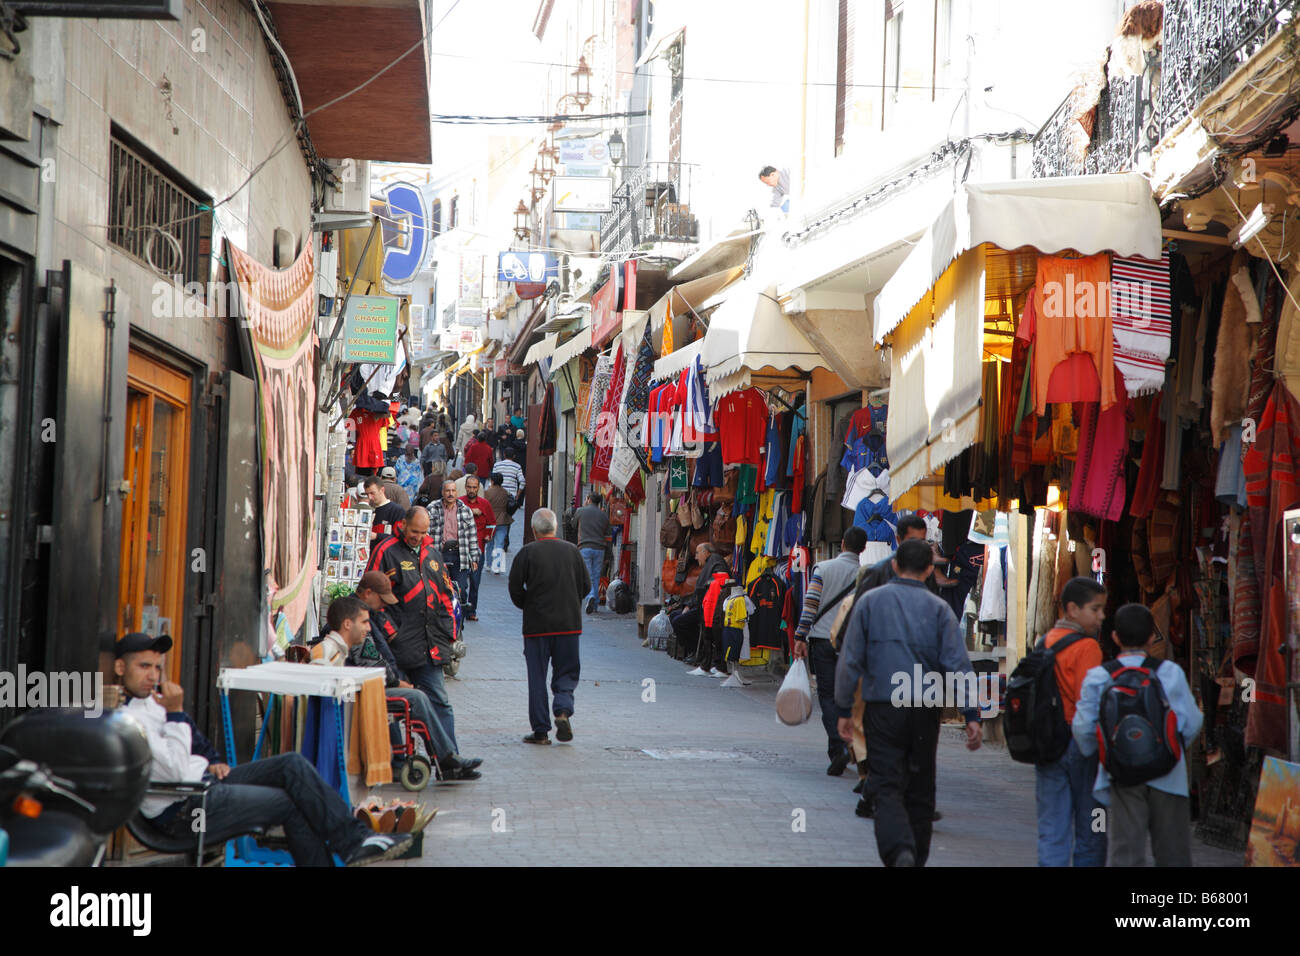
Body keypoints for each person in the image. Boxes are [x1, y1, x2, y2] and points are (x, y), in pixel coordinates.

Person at [115, 631, 412, 866]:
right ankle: (352, 843)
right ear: (119, 667)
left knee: (292, 765)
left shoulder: (151, 702)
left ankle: (356, 840)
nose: (153, 675)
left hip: (205, 783)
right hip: (184, 809)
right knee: (290, 804)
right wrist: (176, 713)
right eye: (143, 667)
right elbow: (177, 770)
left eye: (157, 667)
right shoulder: (129, 720)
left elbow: (192, 738)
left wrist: (212, 758)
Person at [834, 539, 982, 867]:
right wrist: (971, 713)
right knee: (921, 783)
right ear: (930, 569)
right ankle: (915, 855)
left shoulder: (871, 602)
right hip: (925, 708)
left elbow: (850, 659)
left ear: (896, 566)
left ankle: (899, 849)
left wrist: (843, 708)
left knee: (886, 782)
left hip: (883, 706)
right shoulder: (940, 608)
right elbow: (959, 664)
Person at [1073, 603, 1203, 866]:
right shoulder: (1170, 673)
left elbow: (1082, 728)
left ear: (1115, 638)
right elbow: (1192, 722)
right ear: (1151, 637)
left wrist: (1105, 757)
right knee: (1173, 855)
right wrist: (1169, 751)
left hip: (1123, 776)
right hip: (1169, 777)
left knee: (1127, 854)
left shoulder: (1099, 677)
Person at [847, 514, 951, 817]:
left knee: (915, 749)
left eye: (922, 542)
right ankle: (887, 802)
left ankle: (907, 802)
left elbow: (947, 644)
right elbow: (853, 632)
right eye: (912, 542)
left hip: (920, 682)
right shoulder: (878, 575)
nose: (918, 548)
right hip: (883, 680)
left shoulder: (928, 578)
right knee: (891, 749)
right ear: (899, 541)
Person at [332, 587, 481, 780]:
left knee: (426, 698)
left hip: (373, 683)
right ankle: (445, 757)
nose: (368, 626)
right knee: (417, 697)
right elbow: (372, 663)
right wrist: (398, 682)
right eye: (364, 622)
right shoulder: (355, 625)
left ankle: (446, 758)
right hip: (366, 690)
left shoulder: (366, 619)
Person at [370, 507, 464, 758]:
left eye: (423, 533)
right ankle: (397, 760)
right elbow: (371, 597)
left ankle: (449, 758)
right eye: (414, 531)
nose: (418, 537)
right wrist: (392, 634)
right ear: (402, 525)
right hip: (397, 648)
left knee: (440, 703)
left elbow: (446, 595)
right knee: (393, 706)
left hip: (429, 646)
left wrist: (449, 633)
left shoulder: (432, 554)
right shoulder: (385, 551)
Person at [1033, 576, 1109, 867]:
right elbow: (1087, 702)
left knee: (1052, 827)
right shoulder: (1088, 648)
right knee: (1092, 827)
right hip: (1079, 744)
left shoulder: (1045, 641)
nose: (1101, 617)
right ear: (1072, 609)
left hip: (1047, 743)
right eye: (1096, 609)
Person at [508, 508, 589, 745]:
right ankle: (562, 711)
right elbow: (585, 586)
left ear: (534, 530)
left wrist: (529, 605)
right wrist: (571, 603)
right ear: (555, 528)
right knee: (566, 673)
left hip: (536, 627)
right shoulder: (573, 551)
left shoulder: (527, 553)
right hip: (568, 626)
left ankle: (541, 732)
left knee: (537, 678)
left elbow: (514, 589)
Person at [791, 527, 867, 777]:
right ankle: (853, 748)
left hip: (823, 640)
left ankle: (838, 747)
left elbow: (810, 605)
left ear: (843, 543)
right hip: (853, 644)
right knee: (853, 697)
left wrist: (800, 635)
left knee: (828, 695)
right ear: (863, 549)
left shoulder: (823, 569)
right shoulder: (867, 575)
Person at [427, 478, 480, 609]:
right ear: (442, 492)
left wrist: (474, 558)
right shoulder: (432, 508)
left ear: (457, 492)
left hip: (459, 555)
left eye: (453, 490)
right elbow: (425, 533)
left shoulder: (465, 510)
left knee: (460, 590)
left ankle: (459, 623)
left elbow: (472, 536)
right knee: (437, 588)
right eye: (447, 491)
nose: (450, 494)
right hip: (439, 554)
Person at [684, 542, 732, 676]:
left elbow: (720, 581)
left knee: (712, 634)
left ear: (706, 553)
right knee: (709, 634)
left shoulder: (716, 561)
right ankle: (710, 664)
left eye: (698, 553)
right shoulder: (712, 561)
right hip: (708, 603)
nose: (696, 557)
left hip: (713, 605)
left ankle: (711, 665)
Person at [459, 475, 496, 621]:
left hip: (478, 549)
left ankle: (471, 610)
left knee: (475, 582)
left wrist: (488, 535)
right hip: (461, 549)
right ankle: (461, 608)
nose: (472, 490)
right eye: (469, 487)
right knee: (461, 583)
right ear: (466, 487)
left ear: (478, 488)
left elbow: (492, 523)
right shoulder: (460, 503)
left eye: (474, 487)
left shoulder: (485, 504)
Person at [572, 491, 611, 615]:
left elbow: (573, 524)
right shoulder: (603, 515)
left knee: (588, 574)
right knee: (595, 575)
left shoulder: (581, 511)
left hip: (585, 546)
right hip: (599, 548)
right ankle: (594, 604)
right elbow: (608, 533)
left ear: (588, 499)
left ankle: (590, 597)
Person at [483, 471, 512, 574]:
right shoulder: (506, 493)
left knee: (489, 543)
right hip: (503, 520)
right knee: (499, 544)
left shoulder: (487, 492)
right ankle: (497, 566)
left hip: (490, 521)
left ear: (492, 481)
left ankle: (488, 564)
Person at [364, 476, 406, 542]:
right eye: (367, 494)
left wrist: (376, 536)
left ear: (382, 490)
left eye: (372, 493)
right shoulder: (370, 512)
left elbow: (400, 537)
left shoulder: (397, 511)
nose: (370, 497)